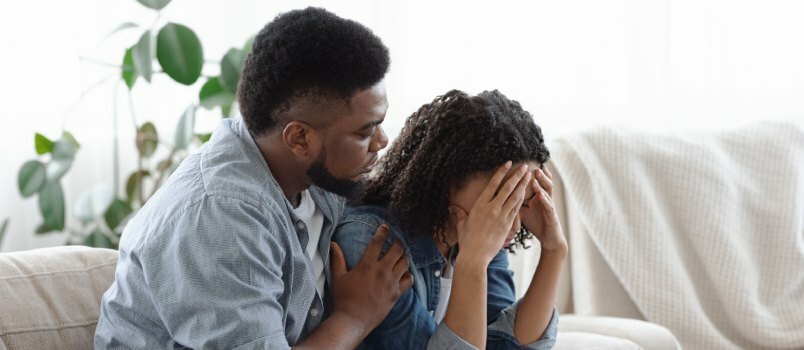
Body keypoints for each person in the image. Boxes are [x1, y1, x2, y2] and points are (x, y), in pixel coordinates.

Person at [95, 7, 413, 349]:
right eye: (366, 131)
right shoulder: (221, 218)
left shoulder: (315, 174)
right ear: (299, 138)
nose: (382, 142)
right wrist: (355, 318)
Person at [333, 90, 566, 349]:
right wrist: (471, 267)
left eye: (520, 205)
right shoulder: (371, 241)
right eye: (499, 203)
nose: (511, 225)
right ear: (446, 185)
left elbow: (504, 344)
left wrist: (554, 251)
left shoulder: (478, 239)